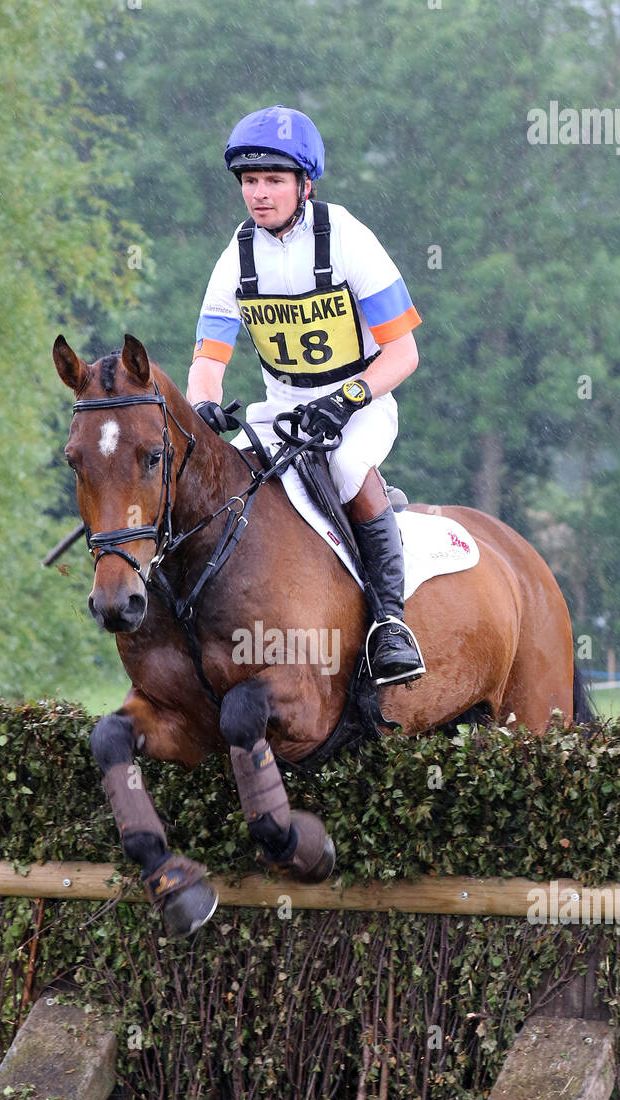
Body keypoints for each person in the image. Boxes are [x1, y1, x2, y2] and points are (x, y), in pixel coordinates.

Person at [187, 105, 425, 686]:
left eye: (273, 180)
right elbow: (208, 360)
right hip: (281, 410)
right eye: (250, 181)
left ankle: (390, 625)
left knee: (344, 466)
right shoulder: (236, 258)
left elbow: (404, 354)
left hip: (360, 404)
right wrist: (203, 406)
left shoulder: (349, 239)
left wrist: (348, 397)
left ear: (305, 184)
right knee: (225, 481)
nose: (259, 194)